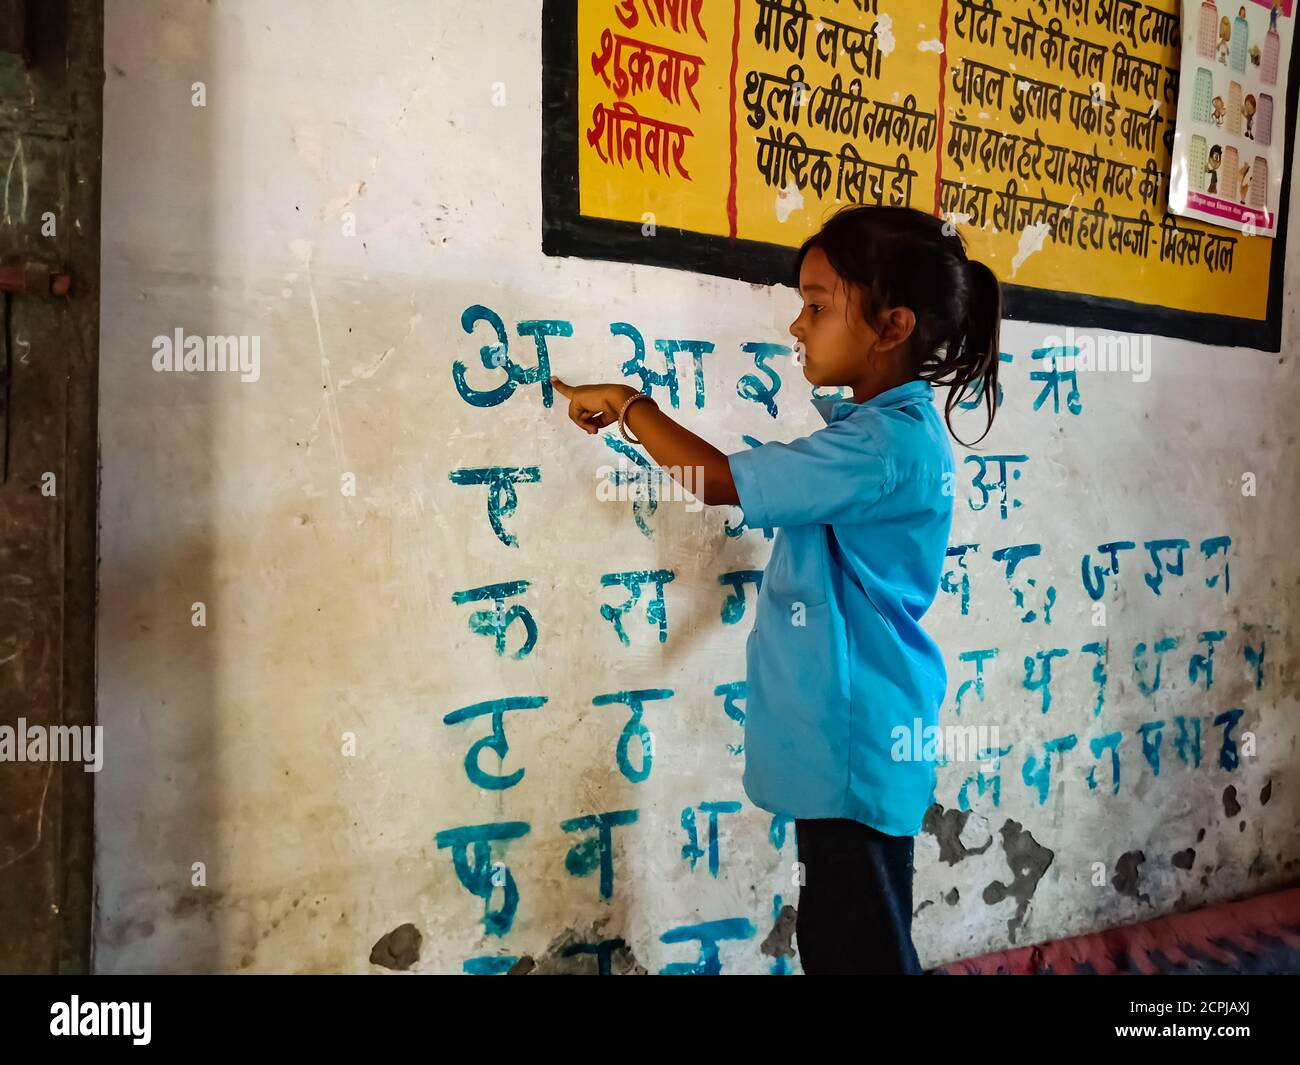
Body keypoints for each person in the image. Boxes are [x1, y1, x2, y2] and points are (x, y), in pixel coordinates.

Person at [550, 205, 1002, 975]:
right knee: (842, 936)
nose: (798, 326)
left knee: (858, 949)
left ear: (892, 326)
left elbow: (721, 480)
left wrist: (630, 405)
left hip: (855, 742)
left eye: (818, 306)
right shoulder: (882, 427)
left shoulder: (881, 444)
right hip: (854, 736)